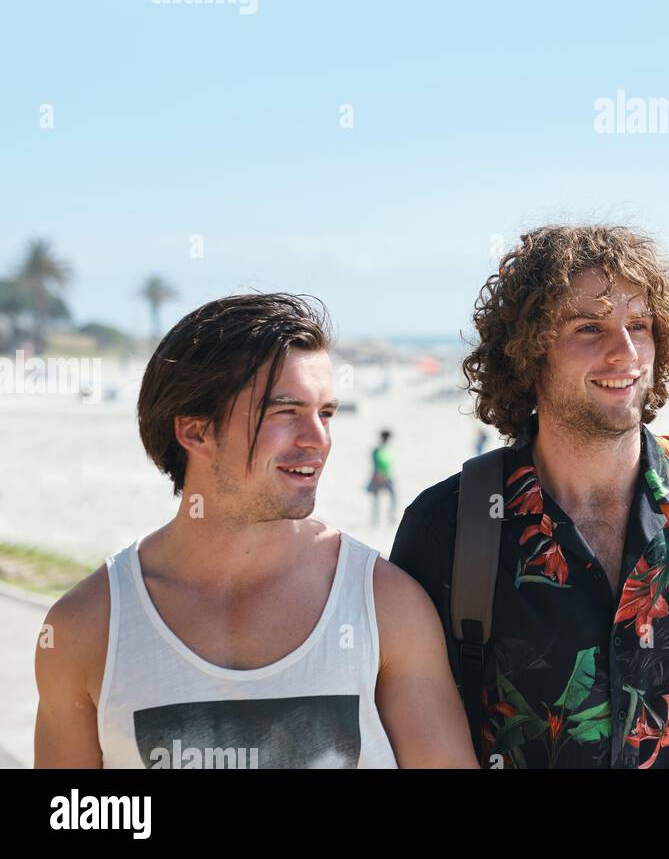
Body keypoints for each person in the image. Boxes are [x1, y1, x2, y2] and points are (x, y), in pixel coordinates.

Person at [391, 224, 669, 769]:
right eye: (589, 327)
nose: (625, 352)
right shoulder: (450, 527)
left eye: (639, 324)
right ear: (529, 351)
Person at [33, 293, 476, 769]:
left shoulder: (384, 605)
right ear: (196, 431)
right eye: (285, 412)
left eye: (325, 413)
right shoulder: (86, 627)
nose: (319, 439)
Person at [369, 429, 397, 524]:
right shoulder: (377, 450)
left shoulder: (386, 449)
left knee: (393, 497)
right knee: (377, 500)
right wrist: (379, 475)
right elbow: (376, 463)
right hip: (379, 477)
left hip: (387, 476)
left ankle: (390, 516)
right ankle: (376, 519)